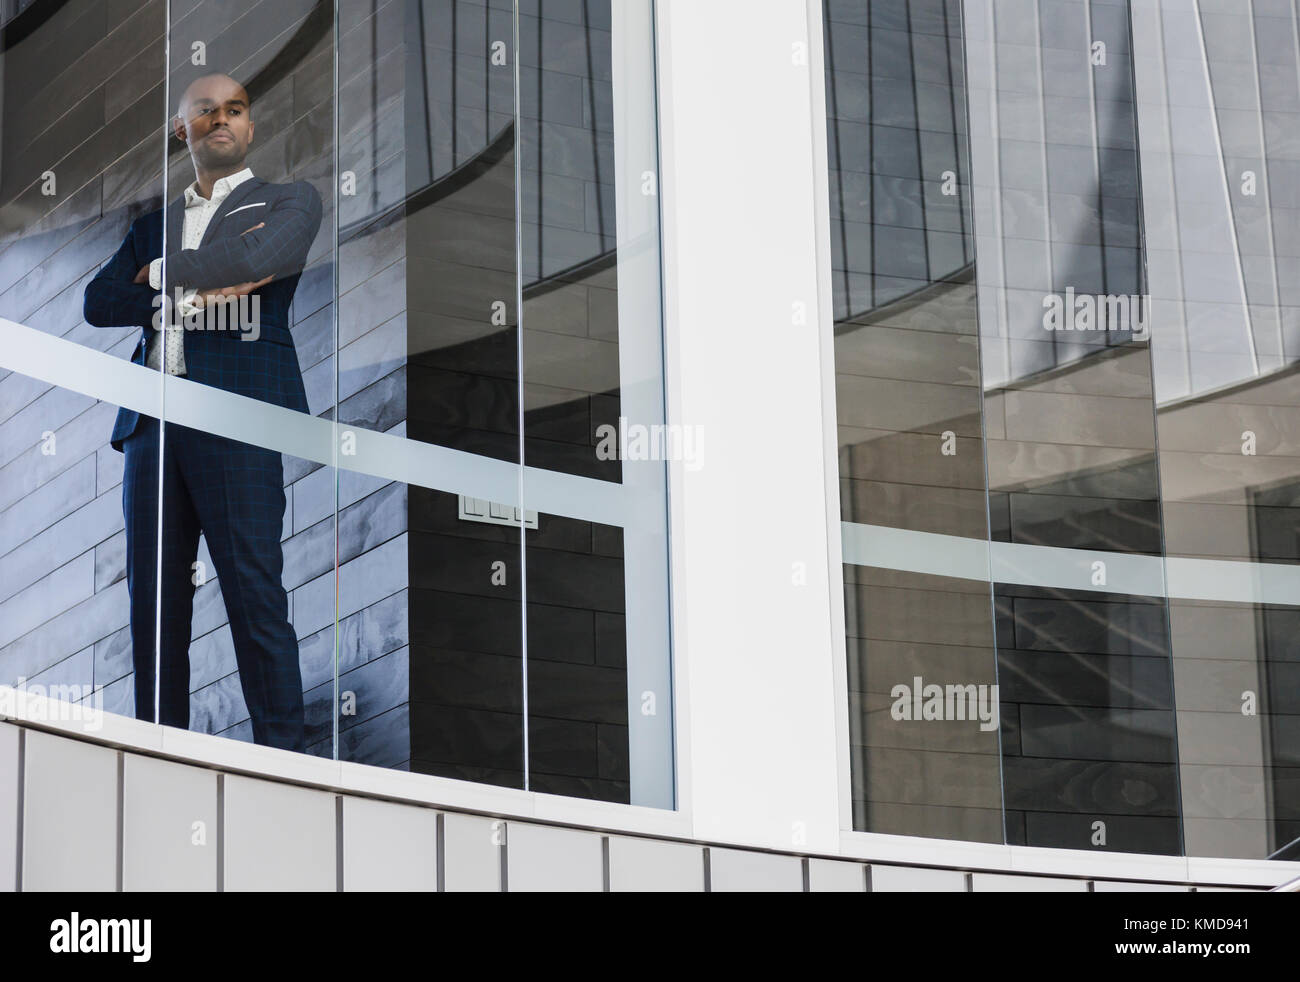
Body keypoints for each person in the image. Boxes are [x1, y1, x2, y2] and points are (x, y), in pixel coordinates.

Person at [83, 72, 323, 752]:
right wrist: (200, 285)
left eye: (236, 110)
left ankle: (284, 758)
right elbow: (98, 303)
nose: (223, 119)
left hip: (236, 416)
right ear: (180, 131)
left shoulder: (289, 202)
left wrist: (158, 277)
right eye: (205, 111)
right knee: (154, 608)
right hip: (152, 430)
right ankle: (161, 757)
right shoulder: (149, 226)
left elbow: (260, 256)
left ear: (250, 127)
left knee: (254, 589)